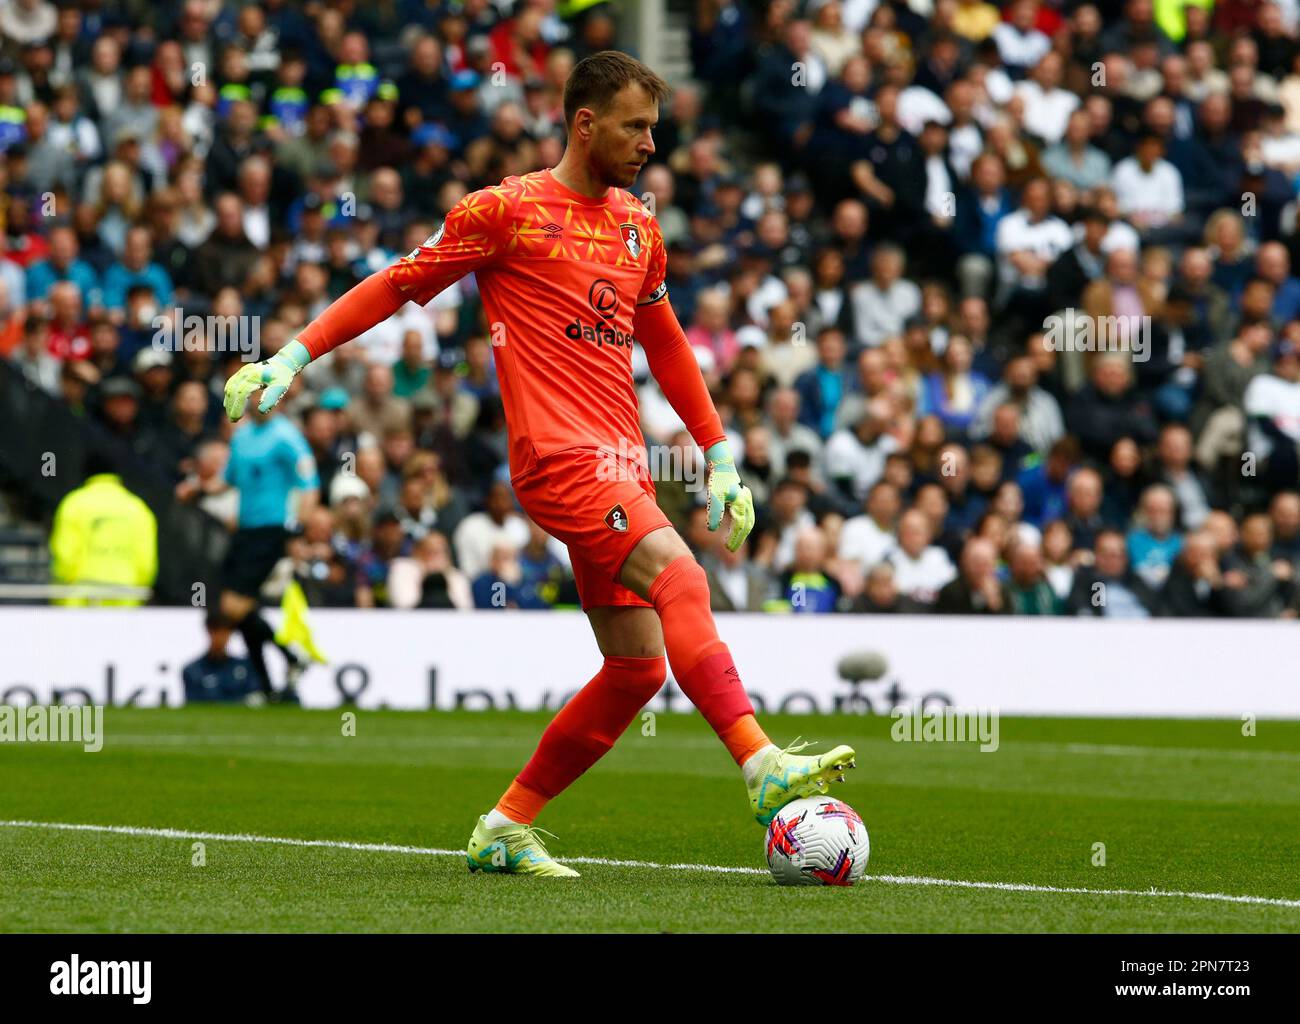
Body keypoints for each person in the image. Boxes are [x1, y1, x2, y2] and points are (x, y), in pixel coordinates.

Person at [223, 52, 855, 878]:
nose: (650, 144)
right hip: (559, 460)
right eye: (635, 126)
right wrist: (292, 357)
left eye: (656, 128)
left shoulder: (638, 226)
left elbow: (662, 343)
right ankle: (759, 763)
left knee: (635, 670)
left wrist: (721, 455)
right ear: (584, 123)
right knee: (684, 581)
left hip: (622, 462)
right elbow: (397, 283)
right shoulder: (506, 212)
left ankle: (504, 826)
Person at [217, 382, 320, 702]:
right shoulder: (241, 437)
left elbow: (309, 483)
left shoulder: (286, 435)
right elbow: (229, 481)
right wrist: (196, 487)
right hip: (245, 531)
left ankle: (283, 665)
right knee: (238, 611)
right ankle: (275, 676)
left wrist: (297, 529)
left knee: (233, 607)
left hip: (272, 530)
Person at [49, 450, 157, 606]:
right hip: (126, 596)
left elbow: (64, 557)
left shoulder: (73, 504)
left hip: (81, 598)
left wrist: (59, 593)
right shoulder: (138, 509)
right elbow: (146, 563)